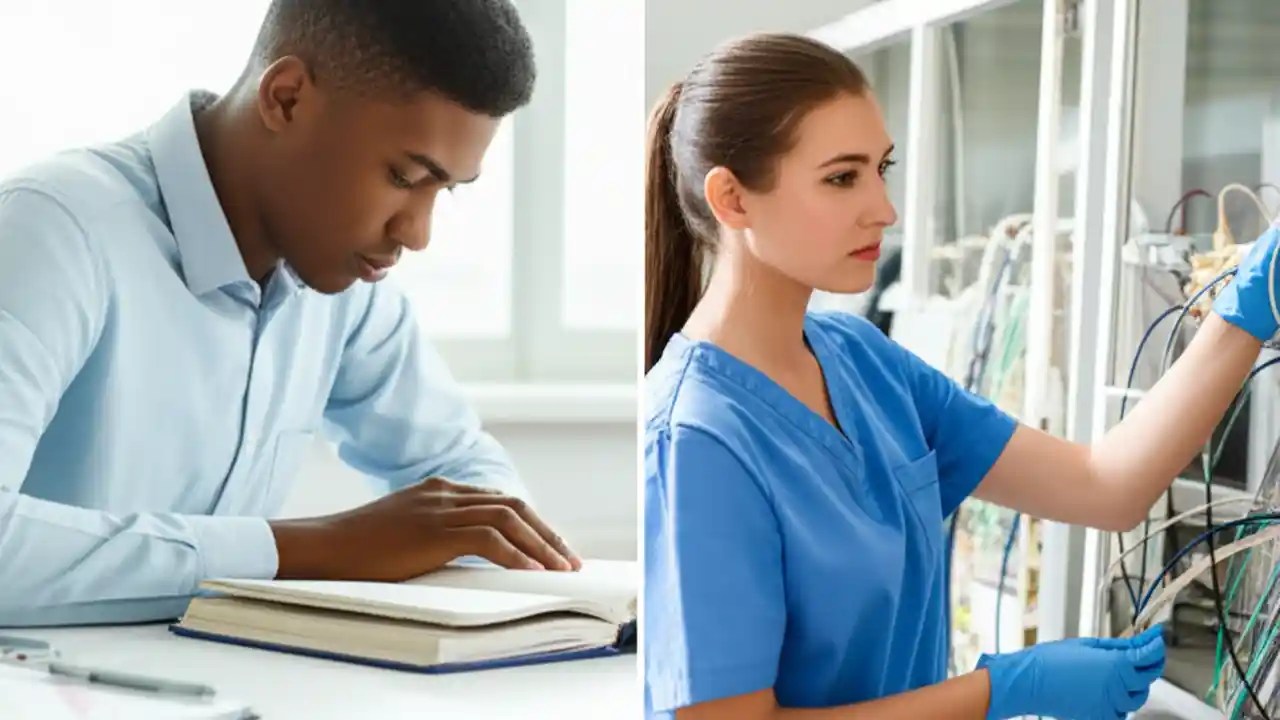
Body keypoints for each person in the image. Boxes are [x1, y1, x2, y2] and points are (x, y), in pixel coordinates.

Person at [644, 32, 1276, 720]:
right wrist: (998, 692)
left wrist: (1244, 310)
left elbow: (1106, 486)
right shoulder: (696, 440)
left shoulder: (861, 360)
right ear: (733, 200)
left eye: (882, 169)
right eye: (841, 177)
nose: (884, 209)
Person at [0, 0, 582, 628]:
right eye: (404, 175)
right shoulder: (53, 231)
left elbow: (472, 487)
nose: (417, 234)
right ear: (287, 98)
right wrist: (323, 548)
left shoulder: (343, 286)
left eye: (445, 191)